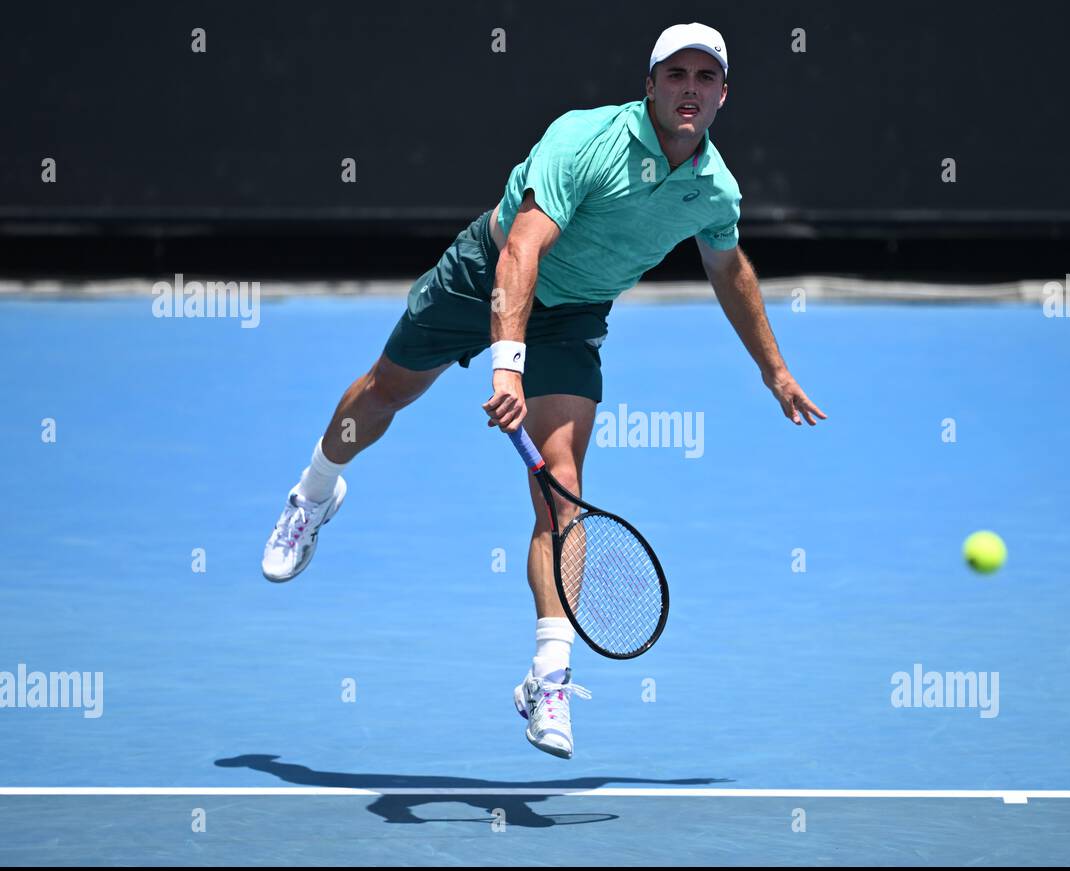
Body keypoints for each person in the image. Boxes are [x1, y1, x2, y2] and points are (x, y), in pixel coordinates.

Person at [261, 22, 826, 759]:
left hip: (575, 317)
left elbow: (731, 272)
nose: (690, 88)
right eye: (676, 75)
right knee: (384, 392)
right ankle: (314, 491)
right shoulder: (584, 140)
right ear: (650, 83)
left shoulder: (714, 191)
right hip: (484, 277)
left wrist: (773, 369)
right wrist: (505, 364)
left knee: (561, 489)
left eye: (705, 77)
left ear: (723, 93)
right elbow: (522, 250)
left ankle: (549, 678)